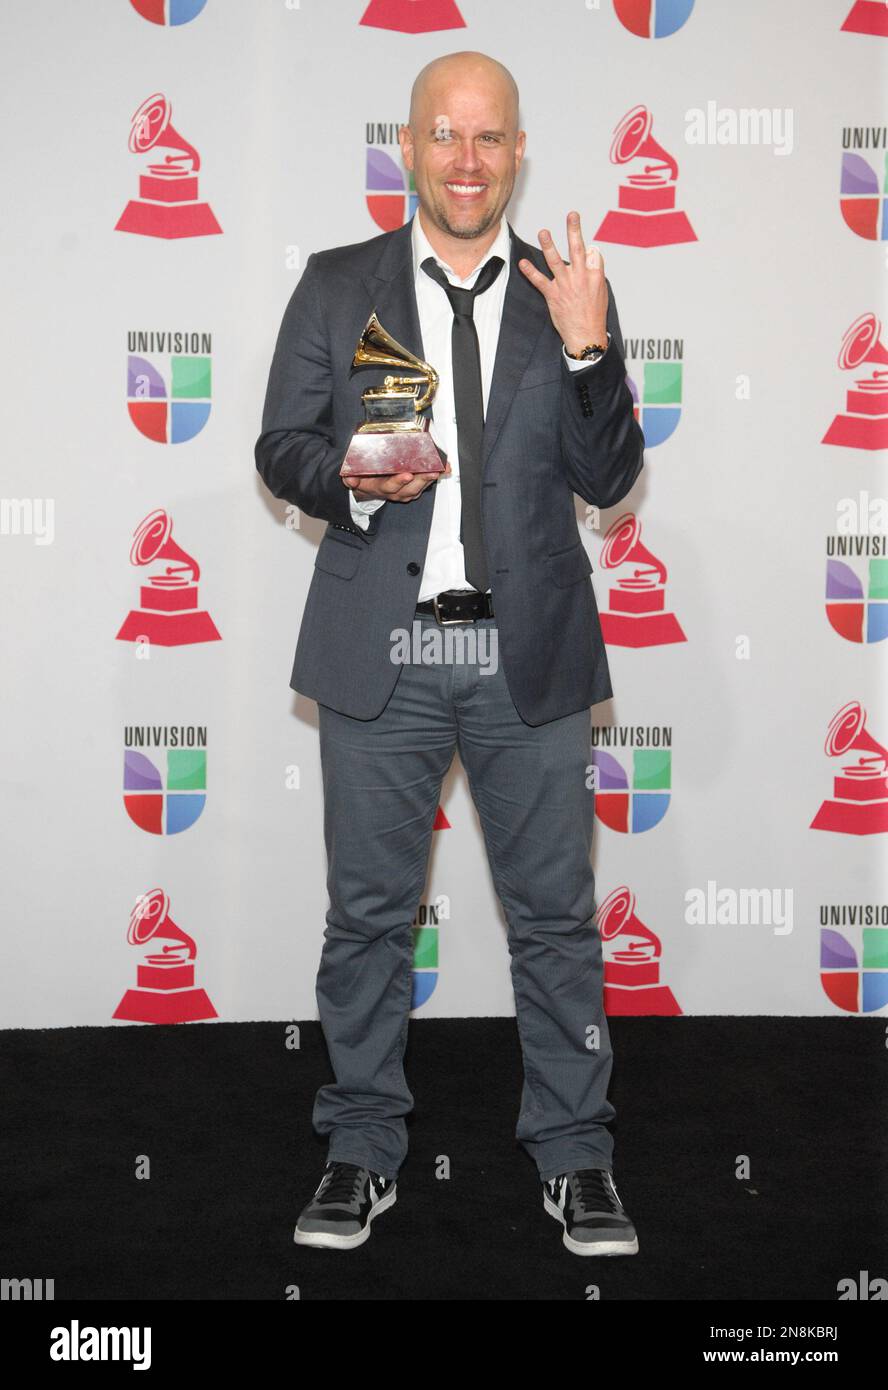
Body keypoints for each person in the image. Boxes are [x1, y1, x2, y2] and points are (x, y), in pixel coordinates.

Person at [255, 50, 645, 1258]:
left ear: (518, 154)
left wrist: (589, 352)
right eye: (444, 136)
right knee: (368, 918)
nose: (466, 160)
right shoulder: (335, 287)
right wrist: (354, 479)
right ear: (409, 148)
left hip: (524, 653)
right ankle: (362, 1146)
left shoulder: (570, 291)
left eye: (490, 139)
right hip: (386, 648)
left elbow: (611, 478)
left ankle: (577, 1155)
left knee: (557, 921)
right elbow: (281, 446)